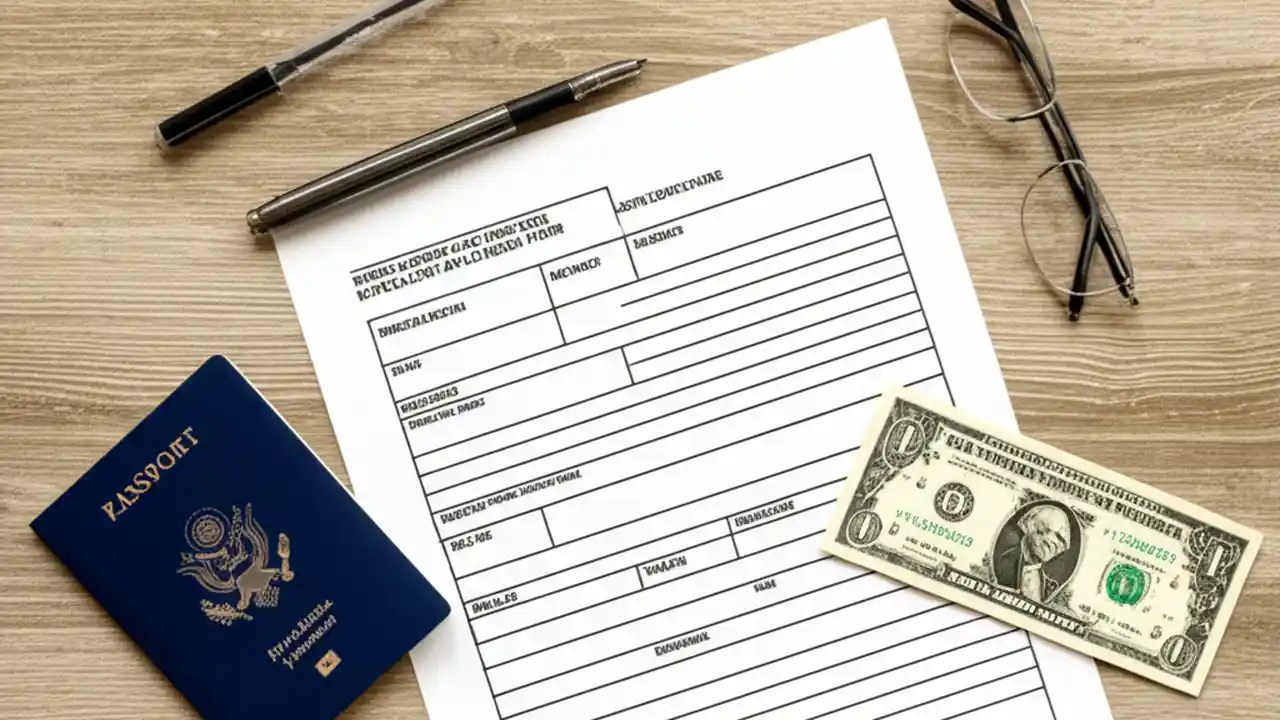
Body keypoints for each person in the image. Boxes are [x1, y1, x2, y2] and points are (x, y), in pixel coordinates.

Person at [993, 504, 1073, 603]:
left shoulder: (1049, 583)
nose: (1054, 542)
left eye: (1060, 539)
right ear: (1029, 528)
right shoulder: (1006, 562)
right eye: (1045, 531)